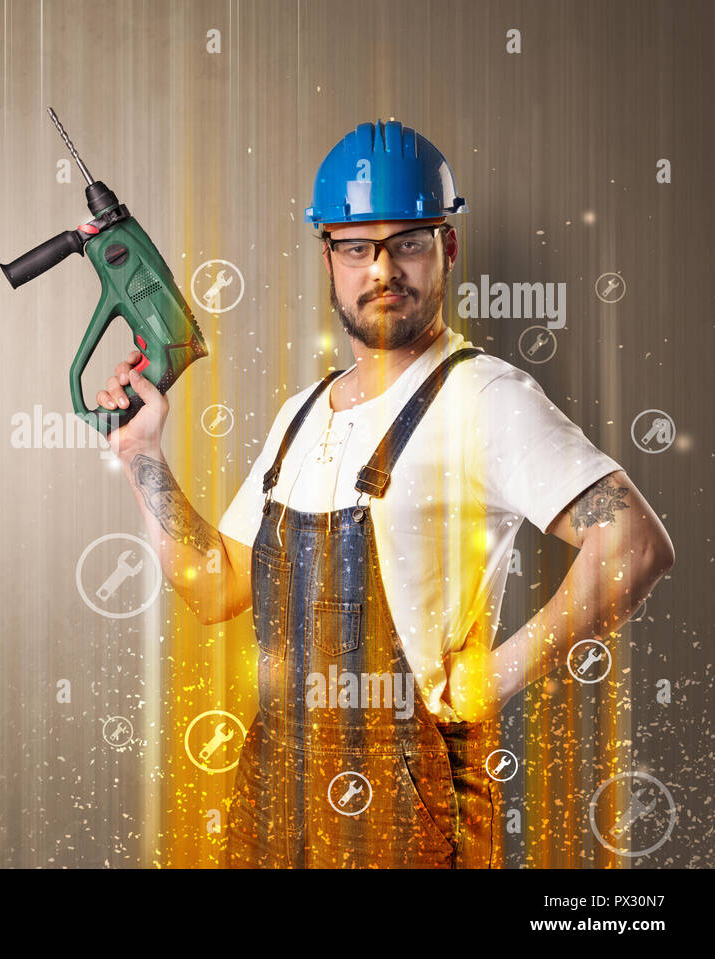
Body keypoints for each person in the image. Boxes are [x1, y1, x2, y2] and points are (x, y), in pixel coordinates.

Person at [100, 119, 675, 868]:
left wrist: (492, 679)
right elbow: (215, 587)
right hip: (271, 800)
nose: (383, 270)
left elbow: (634, 543)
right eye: (357, 247)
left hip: (407, 815)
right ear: (329, 257)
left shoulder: (486, 395)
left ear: (447, 247)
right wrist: (143, 455)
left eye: (407, 242)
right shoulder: (300, 415)